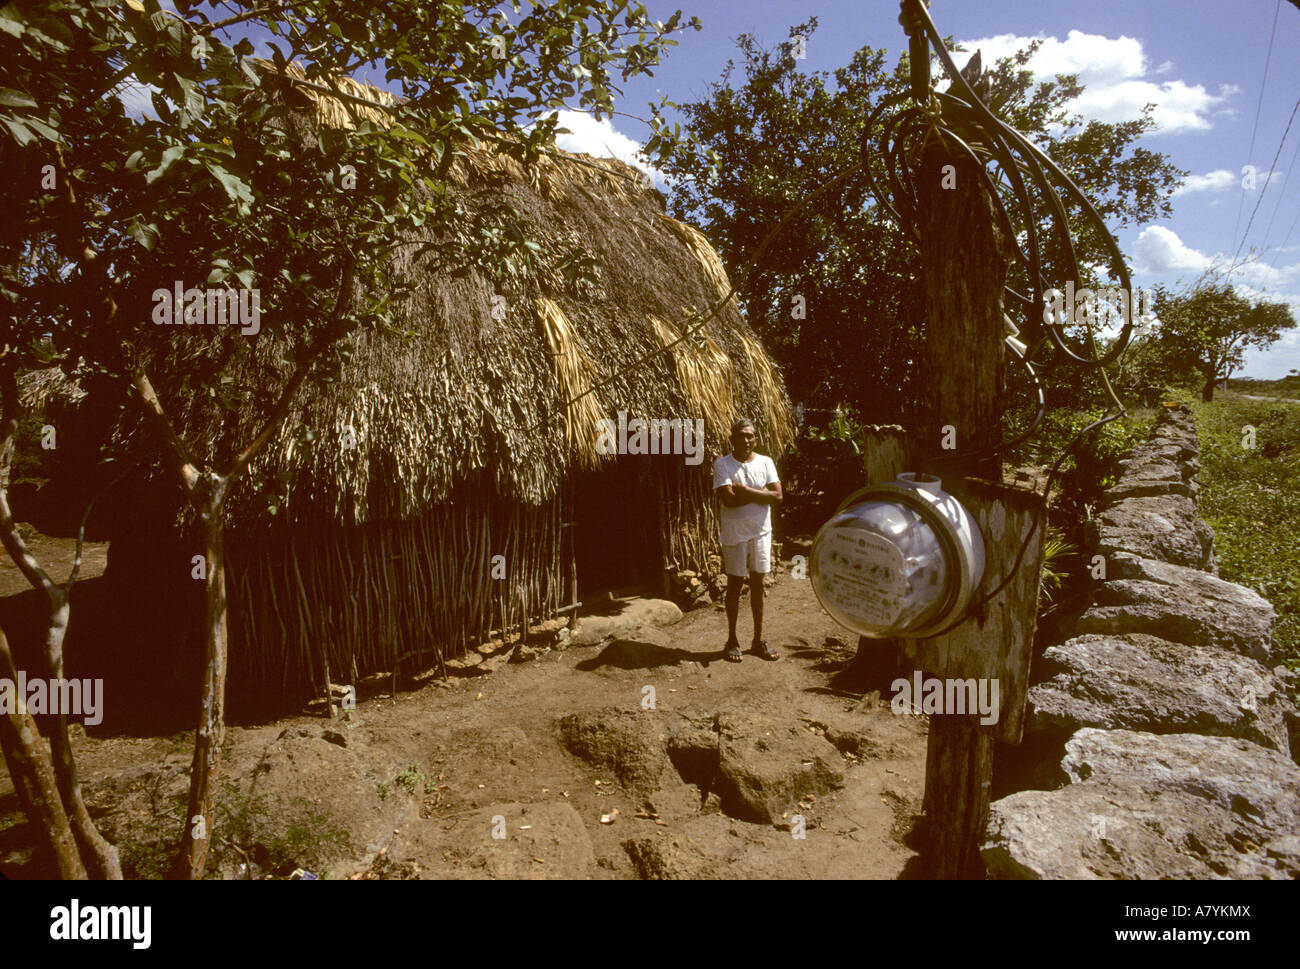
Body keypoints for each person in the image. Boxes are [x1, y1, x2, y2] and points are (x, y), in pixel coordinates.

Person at [712, 417, 782, 662]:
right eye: (740, 435)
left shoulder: (766, 462)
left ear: (756, 439)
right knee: (734, 584)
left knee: (758, 584)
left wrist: (744, 490)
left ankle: (758, 639)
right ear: (732, 439)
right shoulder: (722, 464)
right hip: (735, 533)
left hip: (761, 531)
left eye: (750, 435)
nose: (745, 440)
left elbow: (778, 496)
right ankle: (732, 639)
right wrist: (762, 494)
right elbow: (728, 500)